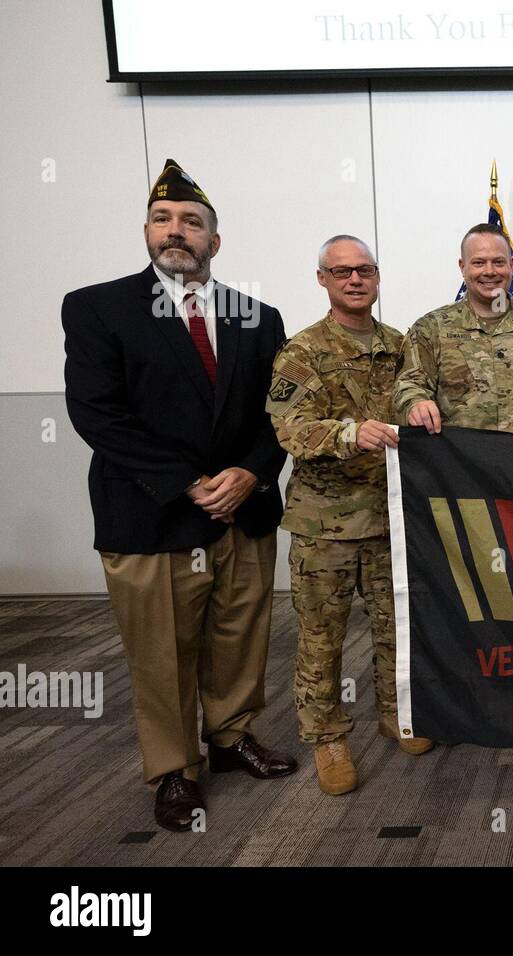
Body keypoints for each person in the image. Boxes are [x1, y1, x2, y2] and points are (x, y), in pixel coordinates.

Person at [62, 159, 296, 832]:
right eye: (163, 220)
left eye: (192, 222)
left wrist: (252, 473)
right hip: (151, 513)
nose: (176, 232)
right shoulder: (98, 307)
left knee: (239, 636)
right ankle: (173, 769)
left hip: (242, 511)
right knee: (162, 651)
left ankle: (230, 738)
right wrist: (190, 483)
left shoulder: (257, 316)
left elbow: (278, 414)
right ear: (145, 231)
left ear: (214, 242)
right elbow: (98, 415)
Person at [267, 235, 433, 798]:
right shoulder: (302, 351)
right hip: (325, 526)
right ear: (323, 280)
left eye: (363, 270)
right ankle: (327, 737)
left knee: (397, 629)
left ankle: (395, 713)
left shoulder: (401, 345)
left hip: (391, 518)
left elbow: (424, 403)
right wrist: (348, 432)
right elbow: (289, 430)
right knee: (321, 636)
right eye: (341, 272)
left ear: (377, 276)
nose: (354, 280)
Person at [393, 223, 513, 433]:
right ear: (462, 267)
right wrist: (415, 404)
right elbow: (408, 386)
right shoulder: (430, 329)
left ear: (511, 265)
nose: (490, 271)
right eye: (479, 263)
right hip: (457, 461)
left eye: (498, 262)